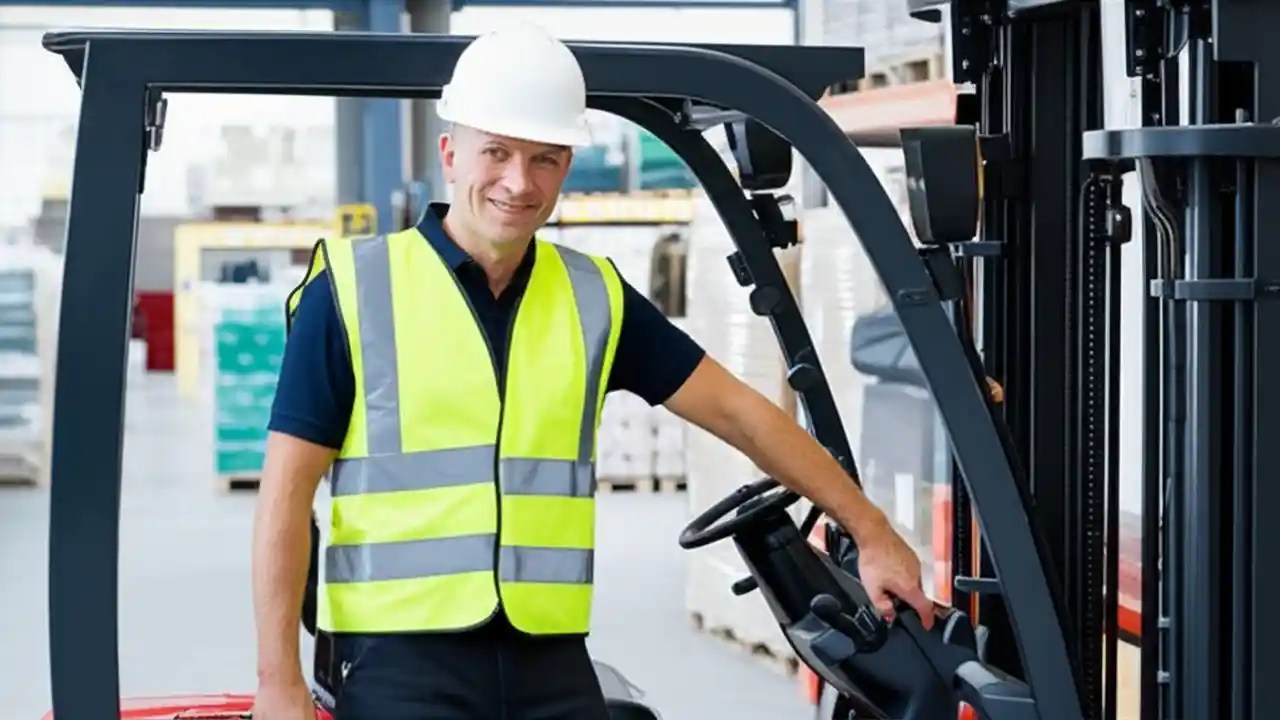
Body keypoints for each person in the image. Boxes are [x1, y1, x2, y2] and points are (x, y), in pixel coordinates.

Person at [250, 23, 933, 720]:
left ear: (567, 167)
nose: (520, 182)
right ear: (450, 154)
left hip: (546, 659)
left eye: (545, 159)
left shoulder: (592, 296)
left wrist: (871, 529)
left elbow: (743, 413)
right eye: (498, 153)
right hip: (398, 662)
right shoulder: (354, 290)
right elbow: (285, 492)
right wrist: (279, 683)